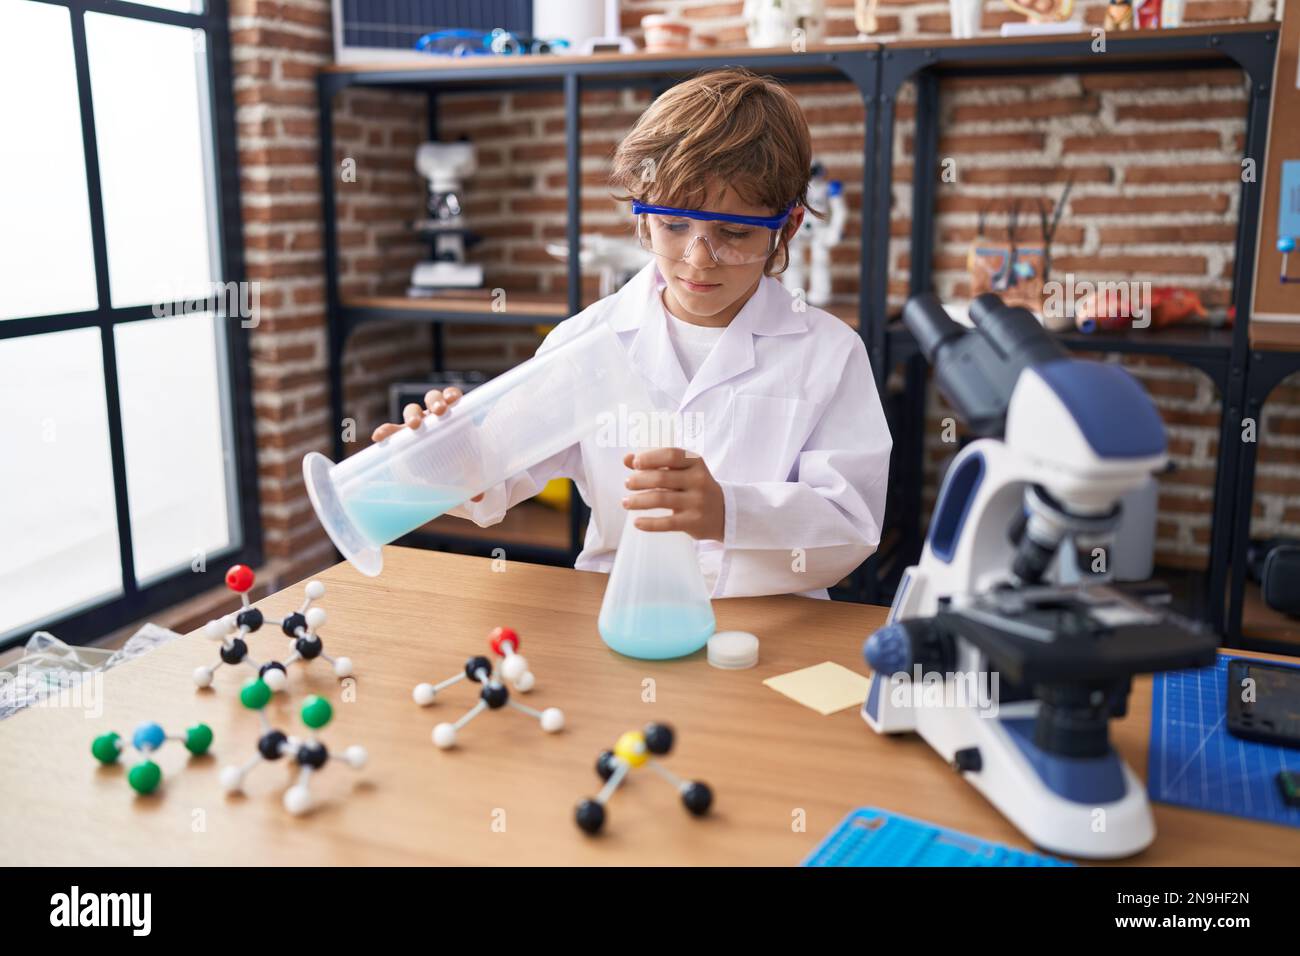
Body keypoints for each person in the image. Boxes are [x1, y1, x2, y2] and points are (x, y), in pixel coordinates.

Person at [372, 68, 892, 599]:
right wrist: (444, 456)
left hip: (771, 622)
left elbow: (851, 525)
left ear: (789, 226)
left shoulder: (829, 352)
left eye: (734, 233)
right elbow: (494, 476)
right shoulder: (589, 341)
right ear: (642, 217)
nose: (698, 259)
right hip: (622, 613)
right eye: (673, 225)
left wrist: (728, 513)